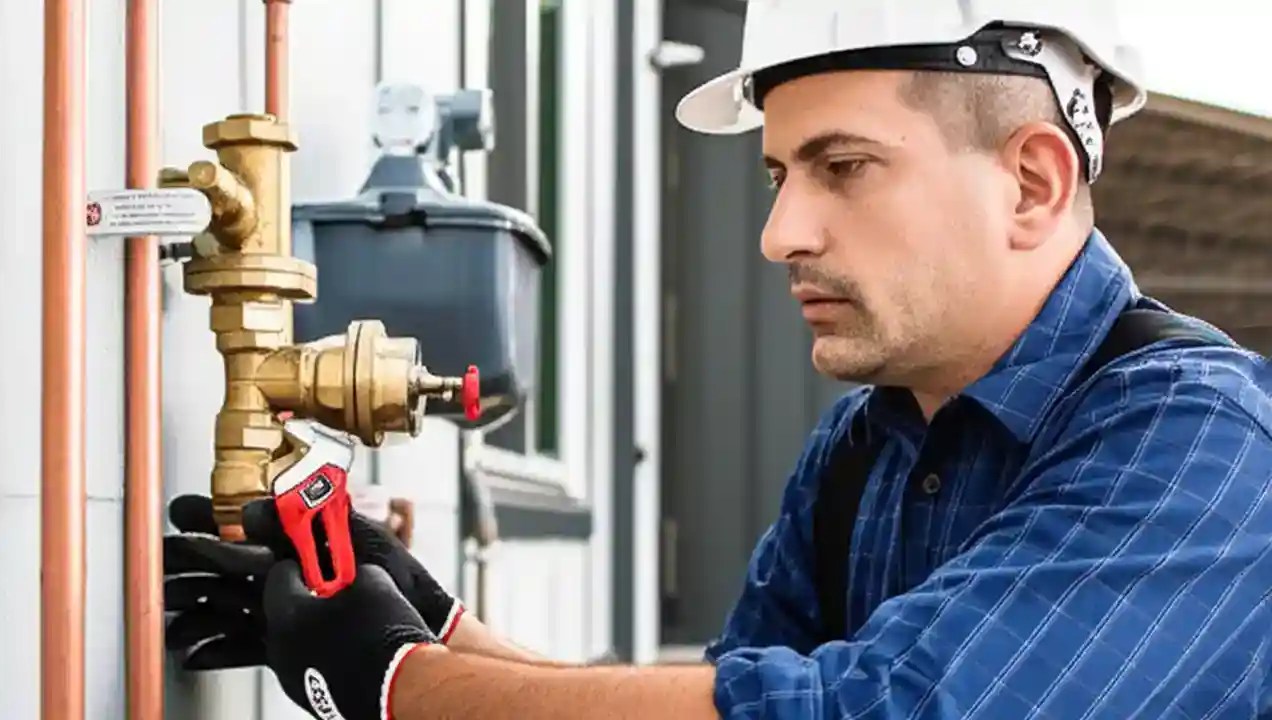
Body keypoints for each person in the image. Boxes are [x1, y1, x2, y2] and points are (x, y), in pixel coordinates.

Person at [164, 1, 1272, 718]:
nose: (779, 233)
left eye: (841, 167)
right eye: (777, 175)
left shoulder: (1202, 446)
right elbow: (741, 701)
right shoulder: (866, 447)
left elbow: (873, 714)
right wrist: (430, 620)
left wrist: (401, 687)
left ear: (1029, 183)